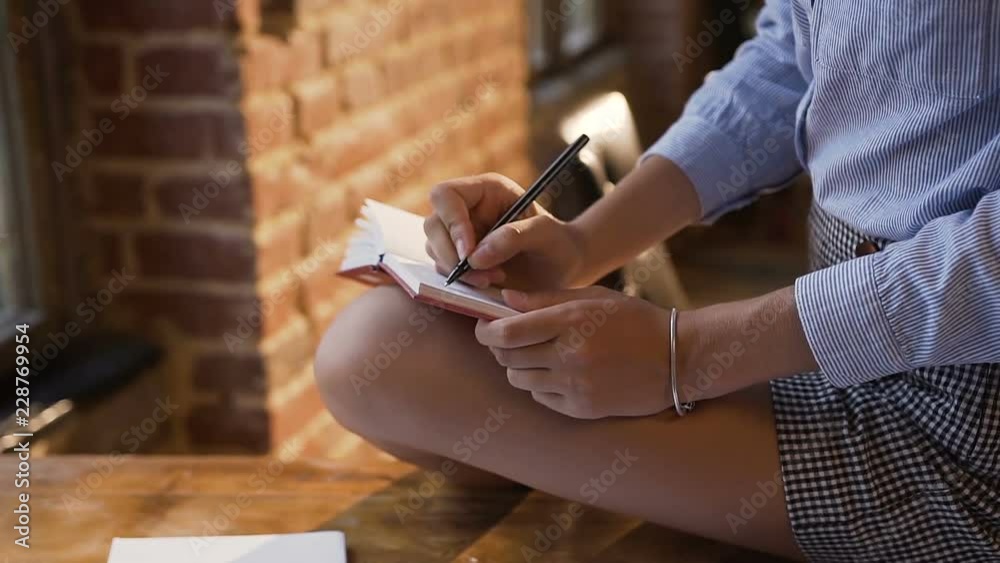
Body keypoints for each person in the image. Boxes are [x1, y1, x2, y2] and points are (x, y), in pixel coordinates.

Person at [315, 0, 1000, 560]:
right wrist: (580, 244)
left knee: (377, 354)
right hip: (839, 348)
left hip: (962, 422)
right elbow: (794, 59)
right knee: (391, 354)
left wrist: (690, 352)